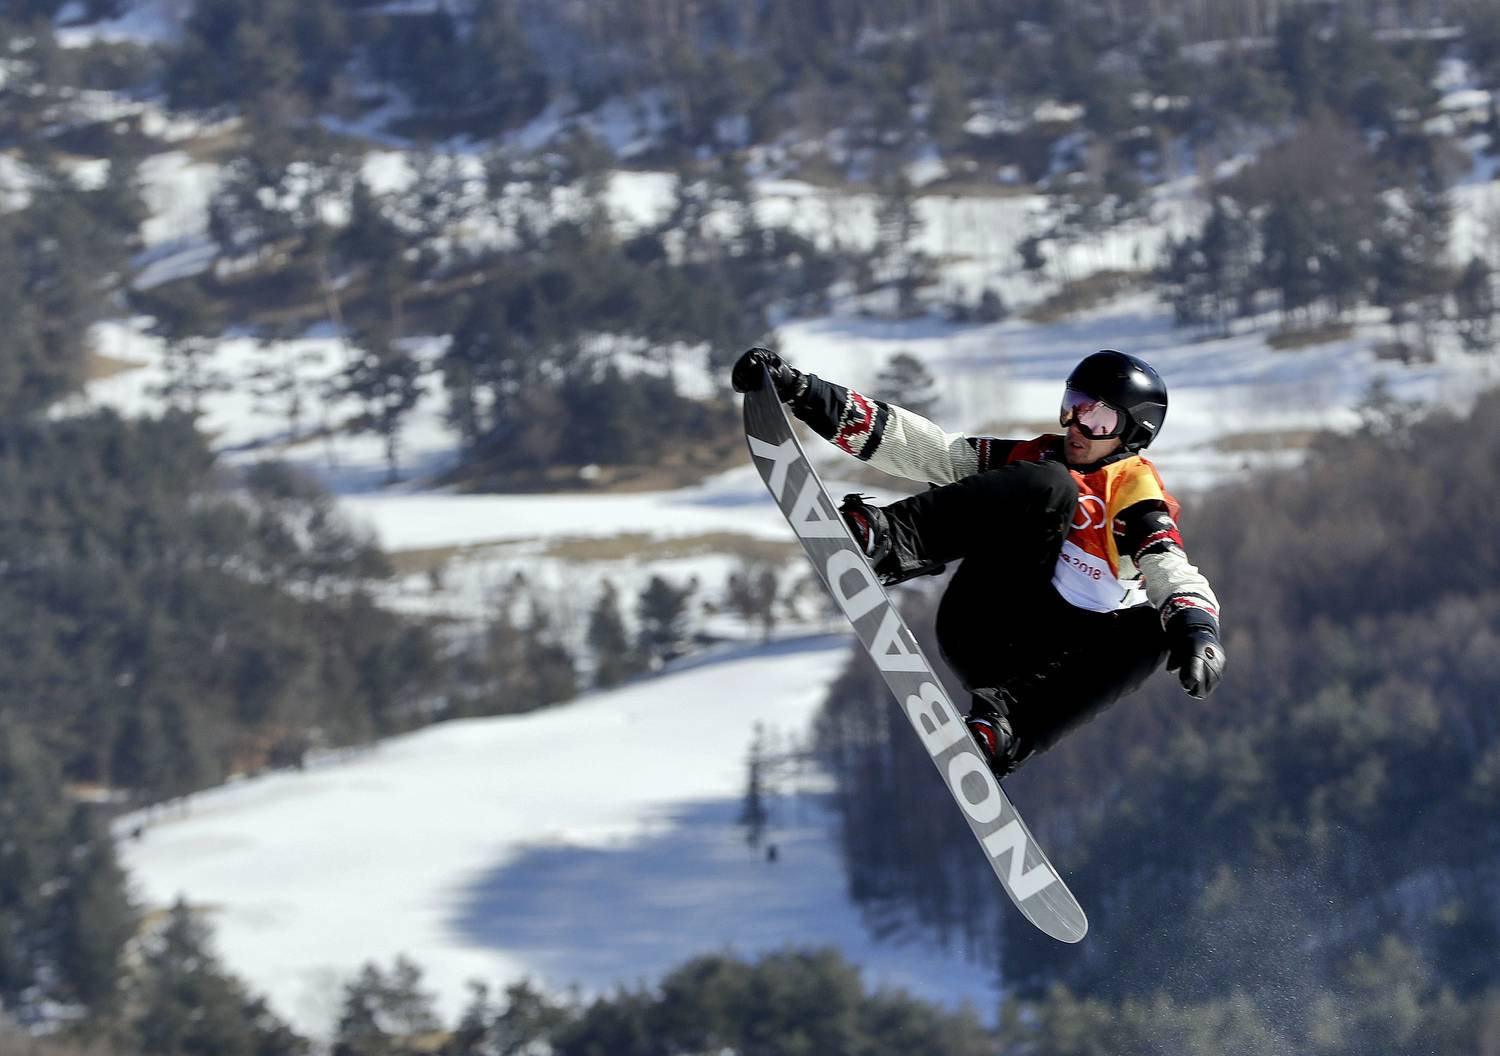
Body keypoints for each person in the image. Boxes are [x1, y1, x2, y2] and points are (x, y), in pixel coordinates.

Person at [732, 346, 1225, 778]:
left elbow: (1169, 566)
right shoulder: (1036, 461)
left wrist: (1197, 629)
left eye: (1099, 420)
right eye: (1073, 407)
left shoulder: (1135, 497)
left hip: (1042, 669)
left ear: (1133, 433)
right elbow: (923, 449)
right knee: (1046, 483)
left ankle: (1005, 731)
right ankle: (887, 542)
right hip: (983, 622)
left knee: (1152, 629)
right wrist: (802, 391)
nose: (1077, 426)